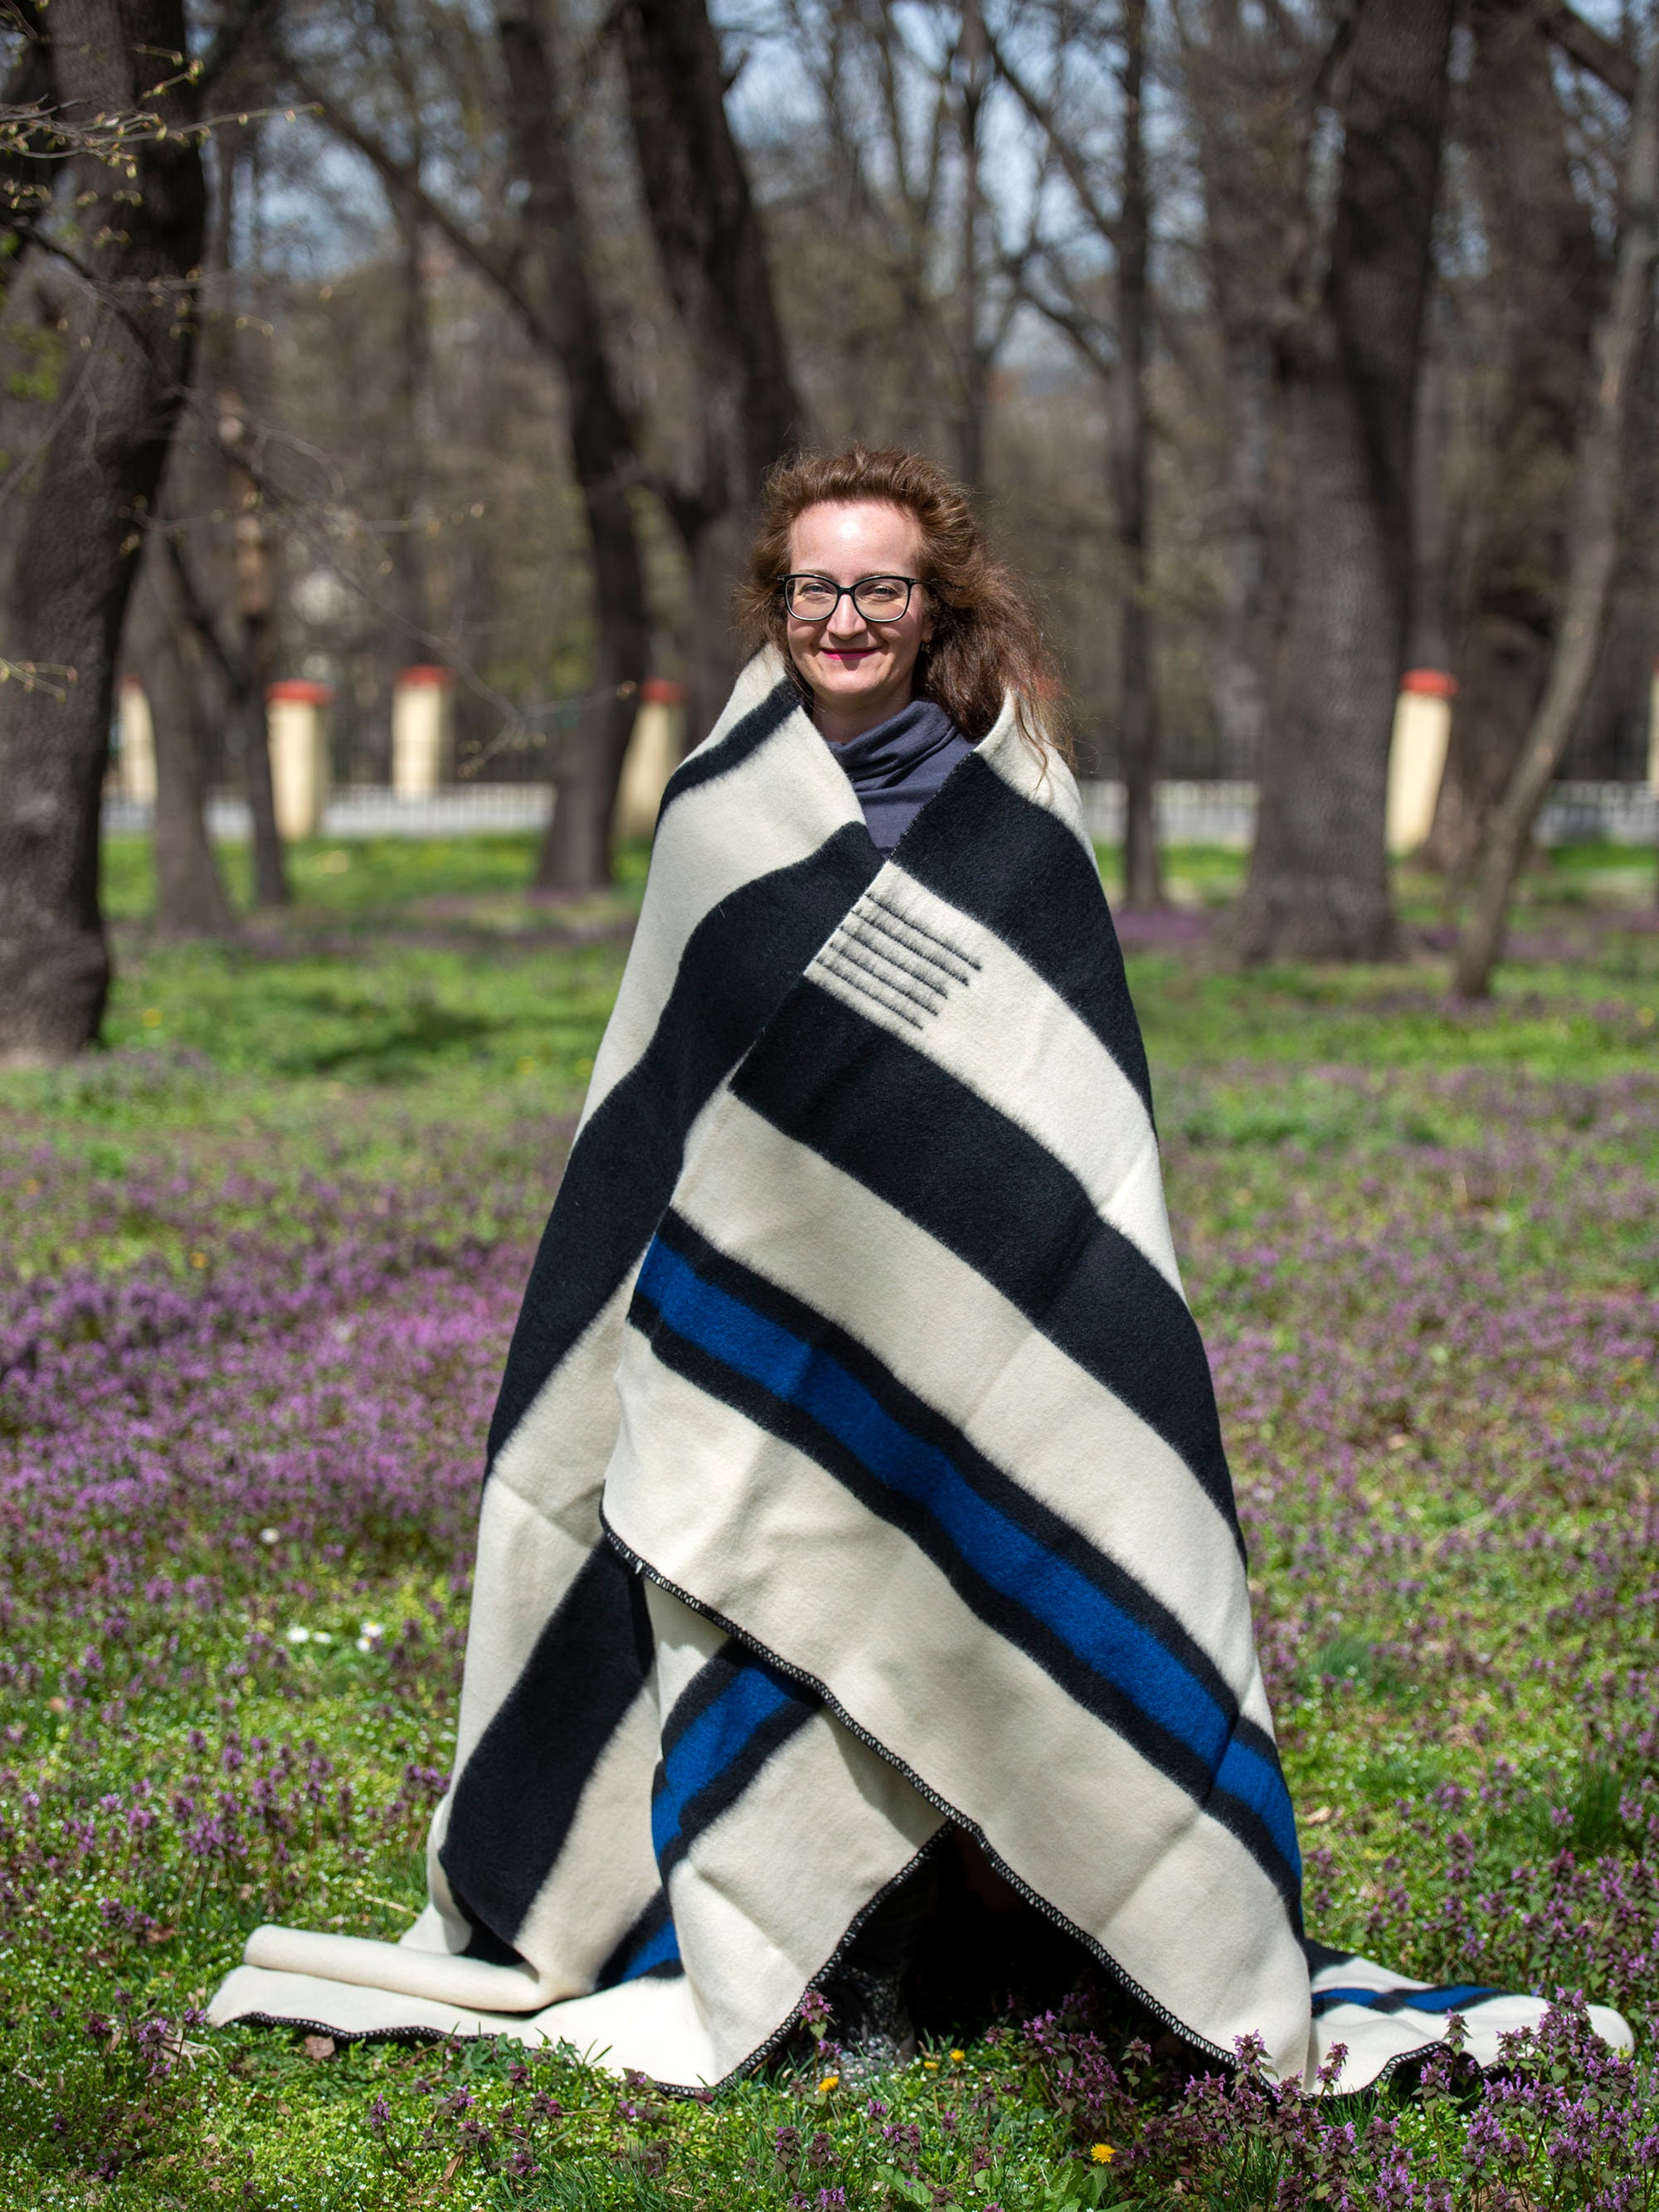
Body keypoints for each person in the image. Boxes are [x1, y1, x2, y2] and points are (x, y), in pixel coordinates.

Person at [210, 447, 1629, 2093]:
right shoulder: (717, 820)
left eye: (880, 584)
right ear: (778, 598)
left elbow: (1069, 1131)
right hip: (760, 1340)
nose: (845, 614)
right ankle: (838, 1982)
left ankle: (1002, 1939)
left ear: (934, 601)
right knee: (778, 1613)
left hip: (974, 1338)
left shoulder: (1013, 826)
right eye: (816, 584)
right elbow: (655, 1103)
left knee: (968, 1587)